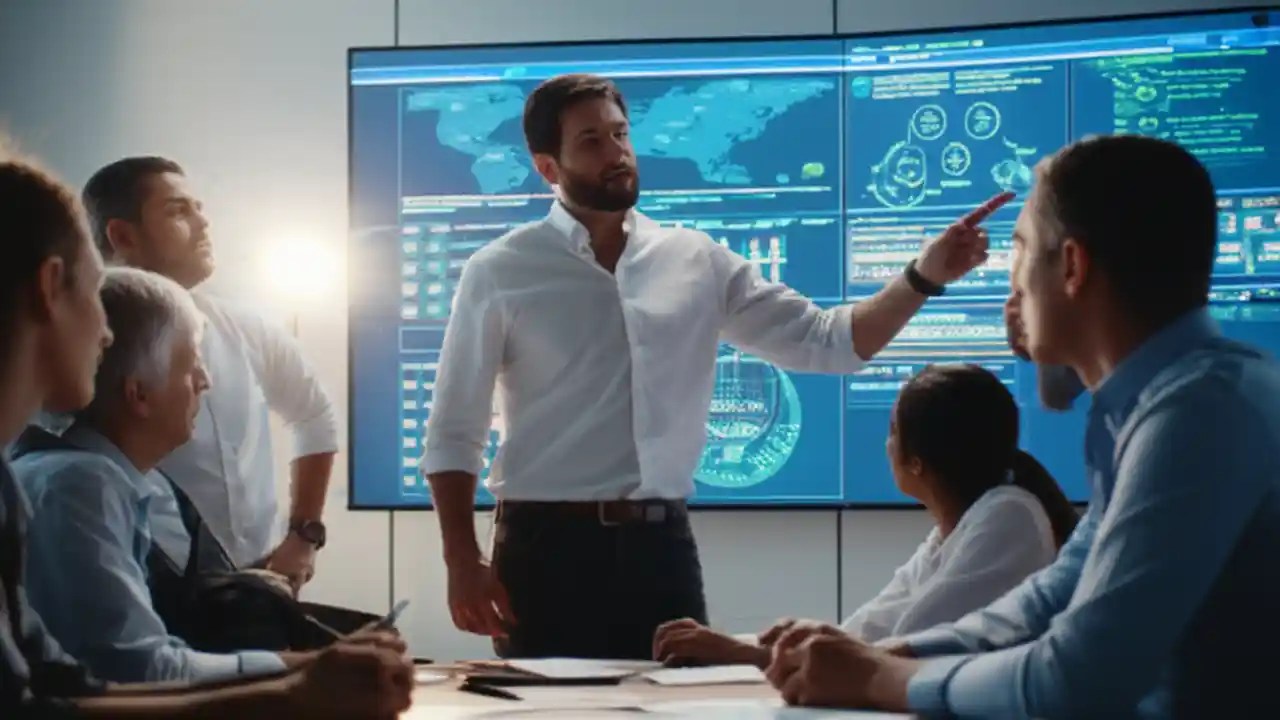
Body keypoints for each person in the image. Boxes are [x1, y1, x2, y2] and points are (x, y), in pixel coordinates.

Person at [424, 72, 1013, 660]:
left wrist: (924, 276)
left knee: (687, 703)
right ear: (548, 168)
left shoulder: (693, 259)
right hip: (543, 549)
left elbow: (831, 341)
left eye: (620, 134)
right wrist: (461, 560)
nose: (617, 154)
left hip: (661, 547)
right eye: (591, 141)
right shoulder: (500, 269)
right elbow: (454, 431)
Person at [763, 135, 1280, 718]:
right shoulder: (1172, 403)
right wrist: (881, 654)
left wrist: (883, 678)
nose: (1011, 295)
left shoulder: (1198, 417)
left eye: (1019, 252)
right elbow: (1050, 599)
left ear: (1071, 267)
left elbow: (1074, 677)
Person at [0, 152, 412, 717]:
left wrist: (300, 666)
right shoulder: (80, 481)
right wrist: (294, 691)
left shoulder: (23, 478)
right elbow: (127, 672)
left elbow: (54, 687)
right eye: (96, 294)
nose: (104, 336)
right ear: (52, 287)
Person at [653, 363, 1077, 668]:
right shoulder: (955, 528)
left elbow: (909, 643)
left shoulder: (1008, 517)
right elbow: (866, 630)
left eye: (892, 431)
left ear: (917, 461)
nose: (886, 445)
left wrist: (746, 654)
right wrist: (746, 645)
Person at [13, 266, 312, 683]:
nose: (205, 381)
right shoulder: (81, 487)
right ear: (139, 393)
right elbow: (140, 668)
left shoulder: (114, 479)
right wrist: (303, 669)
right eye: (191, 364)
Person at [81, 157, 338, 592]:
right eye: (179, 211)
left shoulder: (246, 327)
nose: (203, 223)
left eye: (199, 208)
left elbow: (315, 416)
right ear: (123, 235)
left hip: (262, 586)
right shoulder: (82, 342)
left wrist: (303, 536)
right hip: (145, 583)